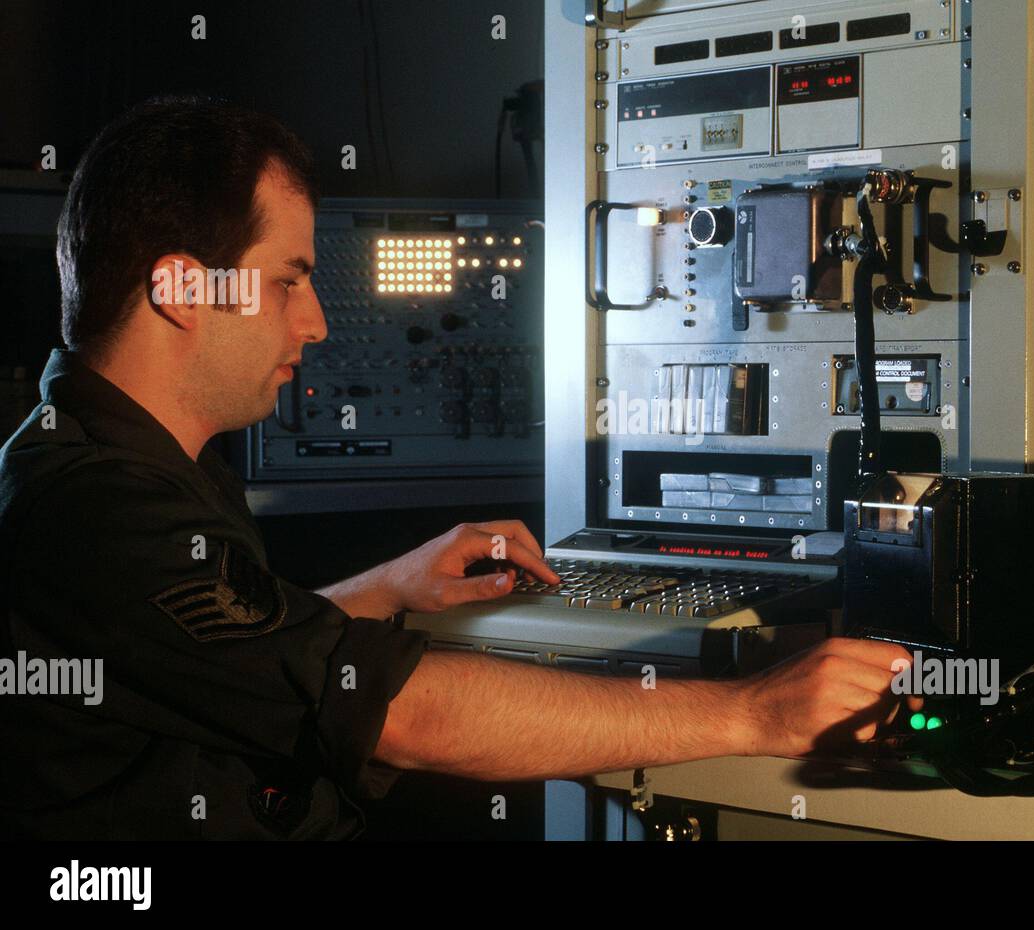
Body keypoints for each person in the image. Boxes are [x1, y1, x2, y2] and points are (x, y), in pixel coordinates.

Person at [0, 97, 918, 839]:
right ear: (181, 289)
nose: (315, 322)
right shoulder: (96, 509)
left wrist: (390, 585)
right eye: (287, 281)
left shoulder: (127, 464)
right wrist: (753, 713)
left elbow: (238, 655)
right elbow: (407, 716)